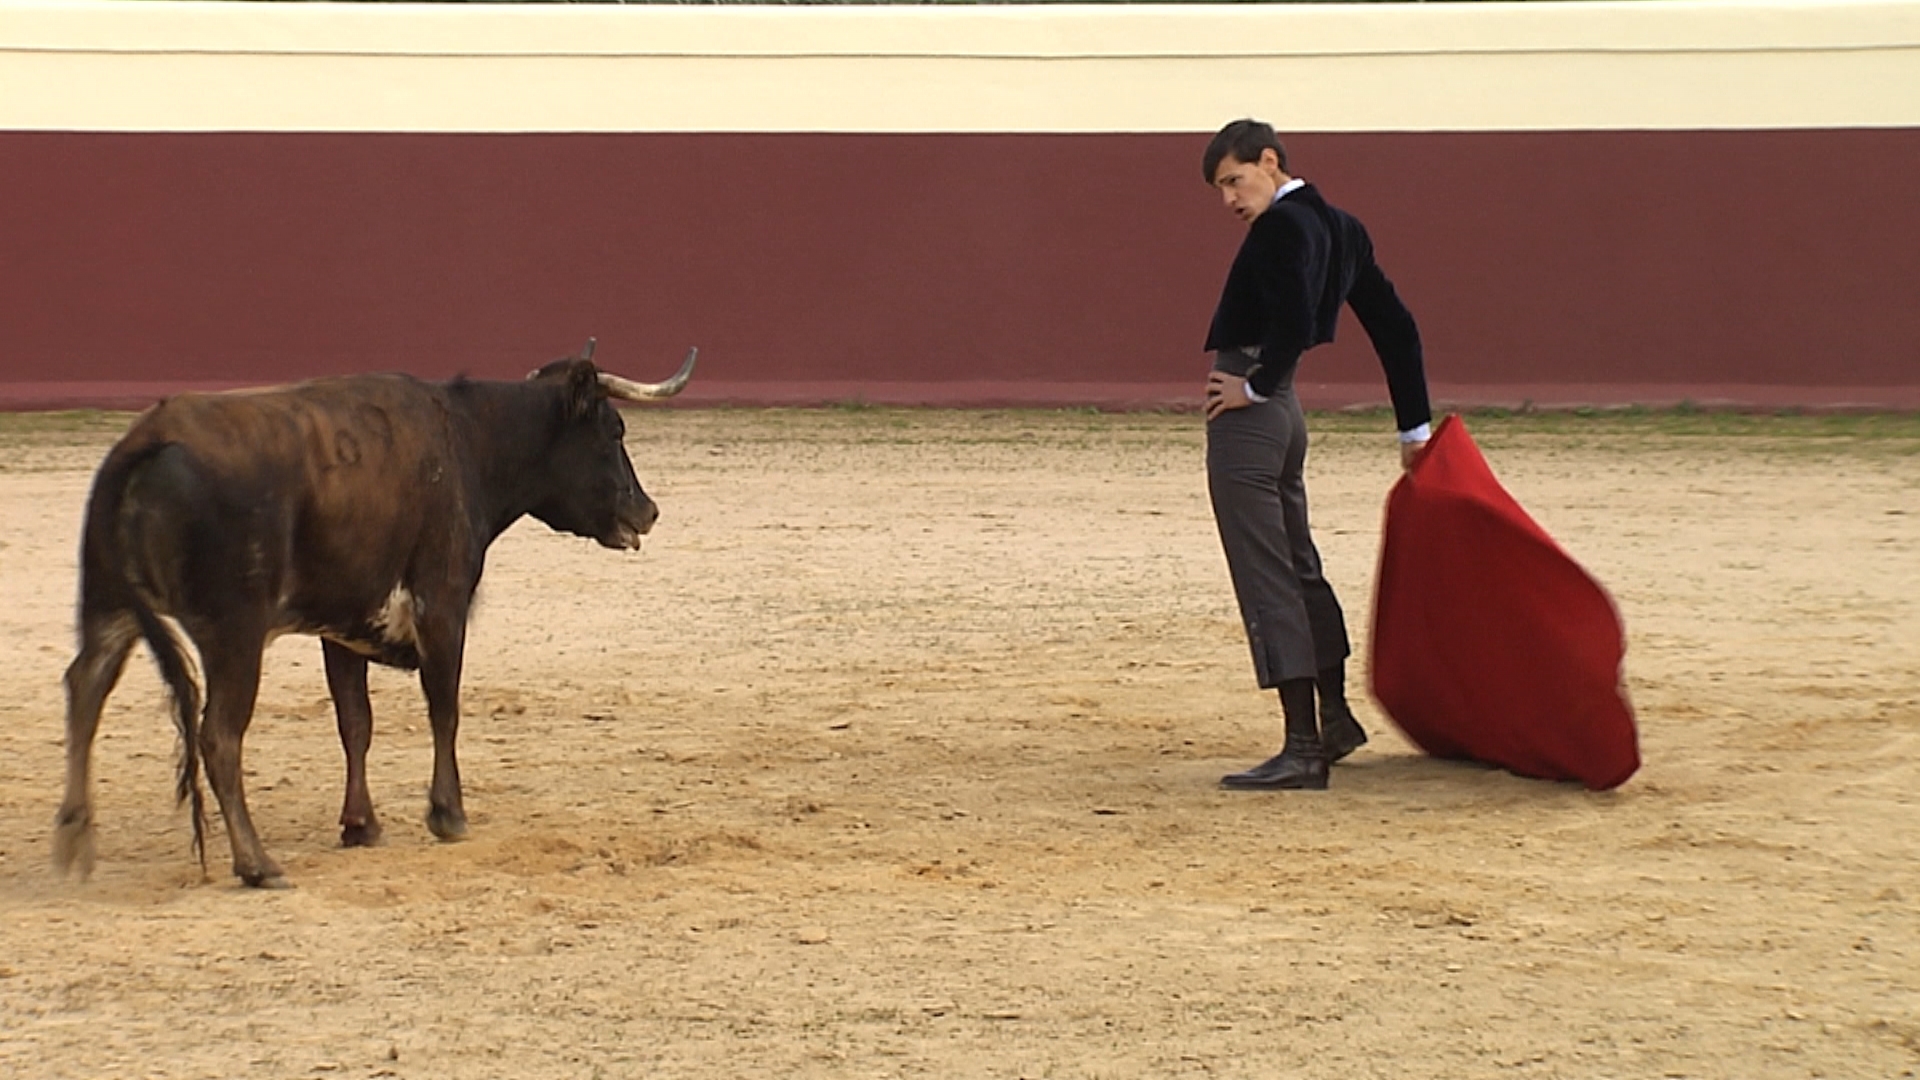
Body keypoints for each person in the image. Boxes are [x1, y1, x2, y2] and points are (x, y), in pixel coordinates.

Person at [1199, 118, 1434, 791]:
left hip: (1252, 416)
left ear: (1269, 160)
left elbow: (1296, 318)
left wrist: (1257, 382)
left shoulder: (1280, 227)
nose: (1230, 200)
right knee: (1298, 564)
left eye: (1234, 180)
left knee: (1266, 569)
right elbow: (1396, 326)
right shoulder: (1342, 226)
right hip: (1288, 418)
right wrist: (1412, 429)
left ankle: (1302, 745)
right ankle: (1331, 720)